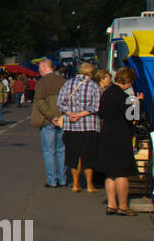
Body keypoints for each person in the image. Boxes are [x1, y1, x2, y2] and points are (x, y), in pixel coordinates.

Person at [97, 67, 140, 215]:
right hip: (121, 135)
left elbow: (100, 113)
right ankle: (123, 206)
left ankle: (111, 204)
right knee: (121, 173)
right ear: (128, 81)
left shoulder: (106, 93)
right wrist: (138, 103)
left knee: (110, 173)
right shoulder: (125, 97)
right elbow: (132, 117)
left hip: (106, 133)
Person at [58, 61, 102, 193]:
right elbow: (96, 107)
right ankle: (89, 185)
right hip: (89, 125)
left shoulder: (68, 84)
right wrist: (81, 114)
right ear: (91, 73)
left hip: (71, 126)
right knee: (88, 156)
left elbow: (60, 103)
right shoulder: (93, 86)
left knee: (73, 156)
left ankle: (76, 184)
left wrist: (71, 114)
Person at [32, 58, 67, 188]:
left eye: (40, 68)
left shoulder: (41, 83)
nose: (39, 71)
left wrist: (52, 117)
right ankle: (63, 179)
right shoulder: (62, 81)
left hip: (47, 121)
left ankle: (52, 180)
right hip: (62, 120)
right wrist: (61, 116)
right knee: (61, 150)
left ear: (46, 67)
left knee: (48, 151)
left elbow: (40, 102)